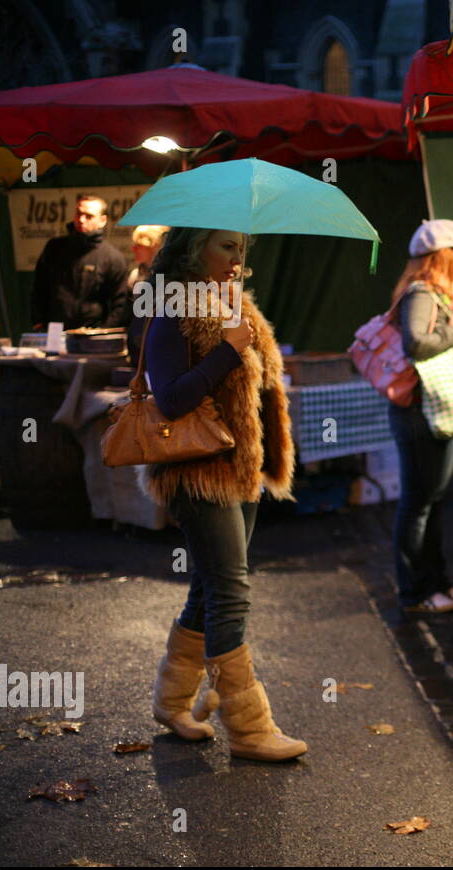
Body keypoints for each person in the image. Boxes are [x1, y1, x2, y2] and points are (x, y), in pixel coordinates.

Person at [142, 226, 305, 762]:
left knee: (210, 588)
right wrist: (230, 351)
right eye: (225, 247)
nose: (237, 259)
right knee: (232, 590)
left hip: (242, 468)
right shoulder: (175, 310)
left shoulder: (234, 305)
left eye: (242, 249)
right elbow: (169, 400)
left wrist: (244, 337)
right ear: (194, 250)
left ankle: (171, 701)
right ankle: (250, 727)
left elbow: (259, 388)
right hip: (198, 471)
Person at [389, 219, 453, 613]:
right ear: (441, 255)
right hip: (418, 413)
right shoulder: (422, 293)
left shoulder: (438, 294)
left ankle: (437, 584)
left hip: (430, 411)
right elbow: (416, 344)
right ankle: (416, 593)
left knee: (432, 500)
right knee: (418, 503)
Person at [29, 194, 130, 331]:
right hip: (54, 332)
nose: (81, 220)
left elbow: (119, 303)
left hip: (92, 335)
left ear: (102, 220)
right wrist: (38, 322)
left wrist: (103, 332)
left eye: (89, 216)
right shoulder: (54, 248)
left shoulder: (113, 258)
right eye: (78, 213)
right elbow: (39, 287)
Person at [127, 224, 168, 365]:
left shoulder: (167, 278)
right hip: (137, 344)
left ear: (154, 247)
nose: (133, 249)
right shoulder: (135, 275)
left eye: (139, 246)